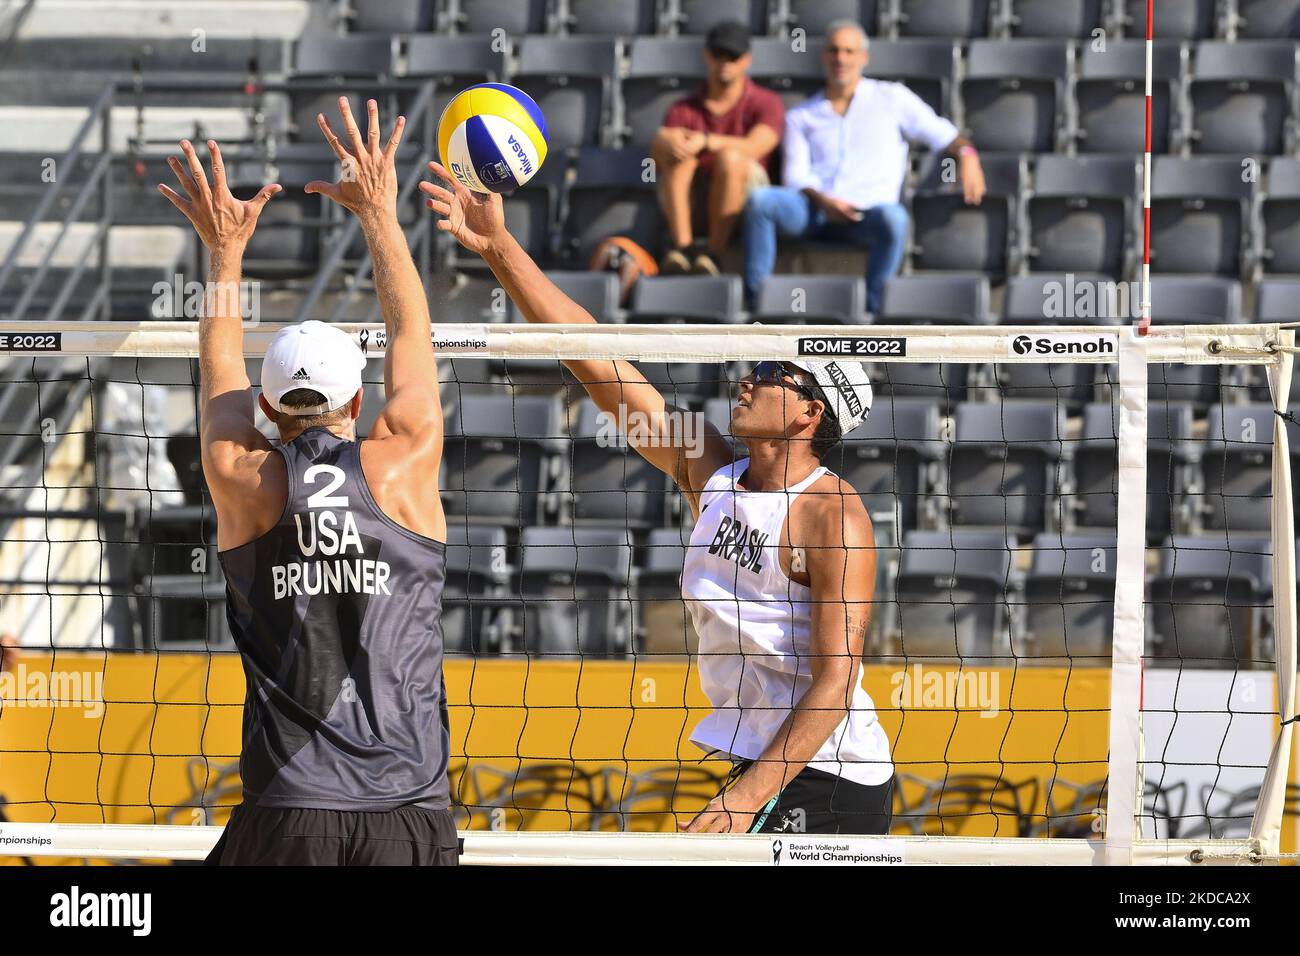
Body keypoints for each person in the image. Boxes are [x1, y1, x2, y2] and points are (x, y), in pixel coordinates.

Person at [421, 162, 895, 835]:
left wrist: (744, 798)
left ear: (809, 414)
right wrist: (500, 246)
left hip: (831, 774)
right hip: (766, 762)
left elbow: (833, 687)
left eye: (769, 375)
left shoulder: (832, 515)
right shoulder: (707, 466)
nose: (747, 379)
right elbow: (590, 355)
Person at [159, 98, 457, 865]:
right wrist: (379, 214)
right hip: (408, 805)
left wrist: (225, 252)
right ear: (360, 402)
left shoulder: (241, 475)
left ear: (267, 406)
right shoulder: (407, 458)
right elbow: (411, 334)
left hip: (293, 809)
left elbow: (219, 374)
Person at [742, 19, 987, 313]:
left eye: (849, 51)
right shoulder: (802, 115)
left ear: (863, 58)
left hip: (867, 215)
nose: (841, 59)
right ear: (824, 56)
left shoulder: (892, 98)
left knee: (895, 219)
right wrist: (825, 202)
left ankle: (872, 312)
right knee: (762, 202)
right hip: (814, 211)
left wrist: (968, 155)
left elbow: (943, 134)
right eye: (834, 51)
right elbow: (795, 175)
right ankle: (757, 303)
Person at [651, 19, 784, 276]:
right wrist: (662, 142)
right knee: (678, 154)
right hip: (698, 198)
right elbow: (657, 159)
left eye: (733, 56)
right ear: (706, 56)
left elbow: (757, 146)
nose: (725, 62)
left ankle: (714, 254)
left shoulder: (766, 102)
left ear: (746, 60)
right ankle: (683, 249)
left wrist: (707, 141)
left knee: (731, 159)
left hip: (746, 204)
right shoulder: (683, 108)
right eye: (718, 54)